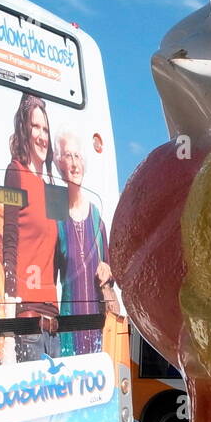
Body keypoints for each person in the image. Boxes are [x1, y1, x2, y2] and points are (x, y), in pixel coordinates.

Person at [1, 94, 60, 361]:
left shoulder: (52, 187)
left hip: (55, 319)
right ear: (24, 130)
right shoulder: (14, 172)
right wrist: (9, 295)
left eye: (45, 129)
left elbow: (64, 251)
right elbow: (10, 235)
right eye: (35, 127)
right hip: (28, 317)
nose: (41, 135)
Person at [55, 132, 121, 355]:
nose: (74, 163)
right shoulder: (57, 220)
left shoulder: (97, 219)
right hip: (68, 333)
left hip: (98, 329)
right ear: (59, 164)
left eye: (77, 156)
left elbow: (111, 273)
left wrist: (108, 274)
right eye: (67, 156)